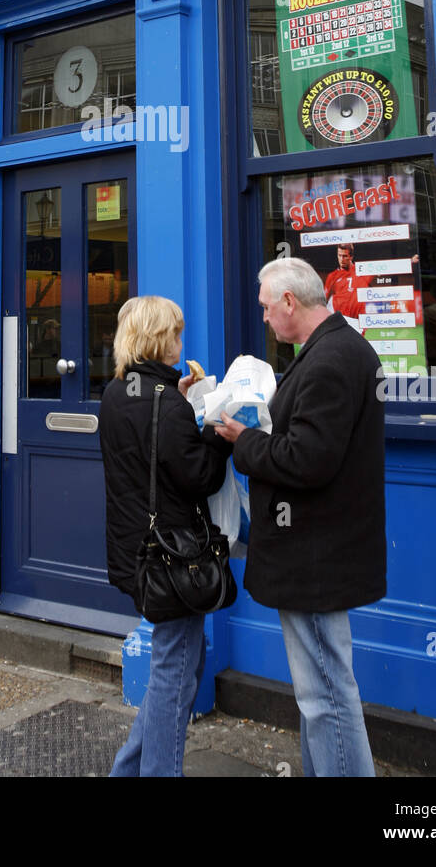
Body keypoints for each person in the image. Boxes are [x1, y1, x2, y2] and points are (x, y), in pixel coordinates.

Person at [215, 257, 386, 778]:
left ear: (290, 301)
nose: (265, 319)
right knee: (321, 692)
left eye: (268, 308)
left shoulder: (331, 358)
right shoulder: (334, 350)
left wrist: (246, 442)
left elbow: (307, 460)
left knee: (325, 695)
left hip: (316, 558)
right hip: (320, 554)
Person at [99, 295, 231, 777]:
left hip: (136, 551)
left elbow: (146, 450)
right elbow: (200, 477)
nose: (181, 340)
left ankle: (128, 770)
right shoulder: (168, 404)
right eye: (174, 333)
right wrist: (217, 432)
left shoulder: (115, 392)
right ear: (157, 339)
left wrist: (177, 398)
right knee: (176, 671)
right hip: (175, 557)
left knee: (179, 665)